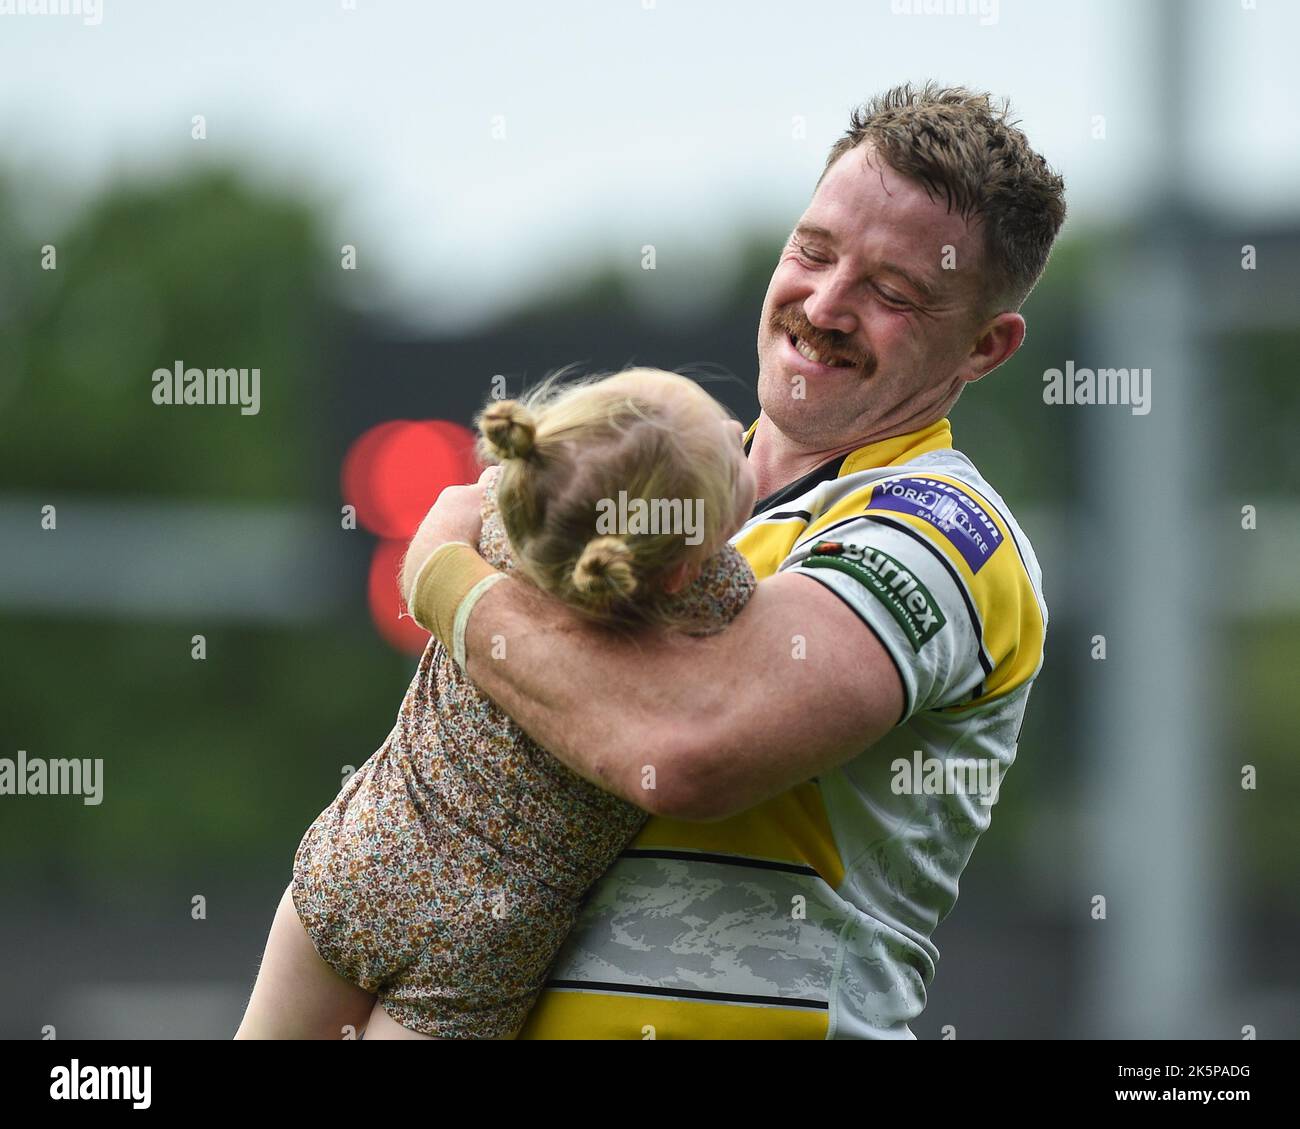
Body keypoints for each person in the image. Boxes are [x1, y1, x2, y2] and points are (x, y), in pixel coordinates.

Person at [405, 82, 1065, 1039]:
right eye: (814, 250)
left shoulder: (942, 528)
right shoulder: (661, 492)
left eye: (891, 292)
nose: (826, 304)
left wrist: (445, 576)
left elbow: (688, 750)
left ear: (986, 347)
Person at [236, 369, 758, 1038]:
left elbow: (451, 517)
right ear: (683, 564)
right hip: (481, 944)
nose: (733, 432)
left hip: (362, 854)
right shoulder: (715, 597)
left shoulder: (507, 517)